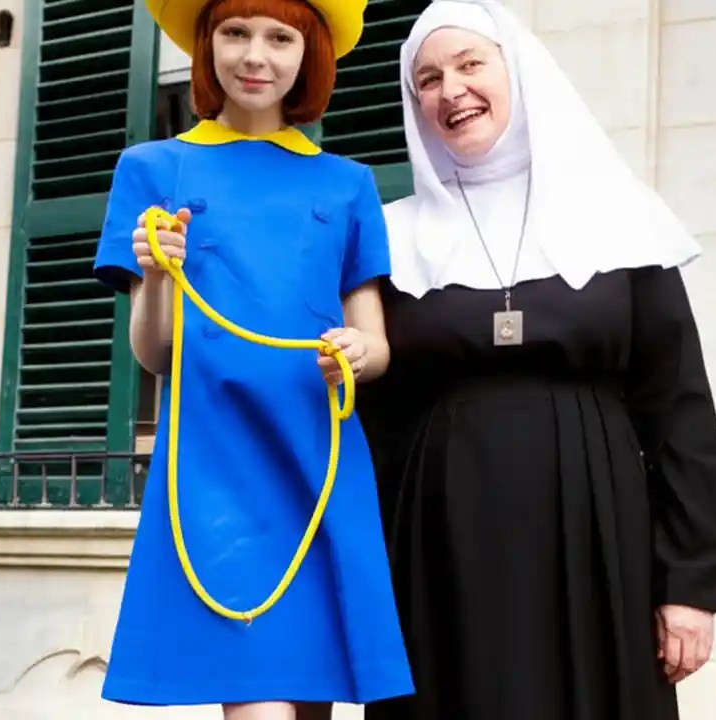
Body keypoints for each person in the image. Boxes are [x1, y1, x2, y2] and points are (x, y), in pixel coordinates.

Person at [358, 1, 716, 718]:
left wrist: (688, 584)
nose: (451, 90)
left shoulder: (621, 213)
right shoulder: (389, 236)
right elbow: (372, 423)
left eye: (471, 64)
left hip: (601, 536)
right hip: (443, 549)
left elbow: (679, 405)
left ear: (518, 71)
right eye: (427, 79)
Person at [91, 0, 414, 716]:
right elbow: (154, 355)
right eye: (235, 33)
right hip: (218, 463)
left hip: (321, 455)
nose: (254, 56)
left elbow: (378, 341)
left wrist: (359, 352)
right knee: (257, 698)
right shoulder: (153, 167)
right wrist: (154, 275)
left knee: (313, 697)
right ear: (208, 44)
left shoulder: (349, 182)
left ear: (311, 54)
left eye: (279, 37)